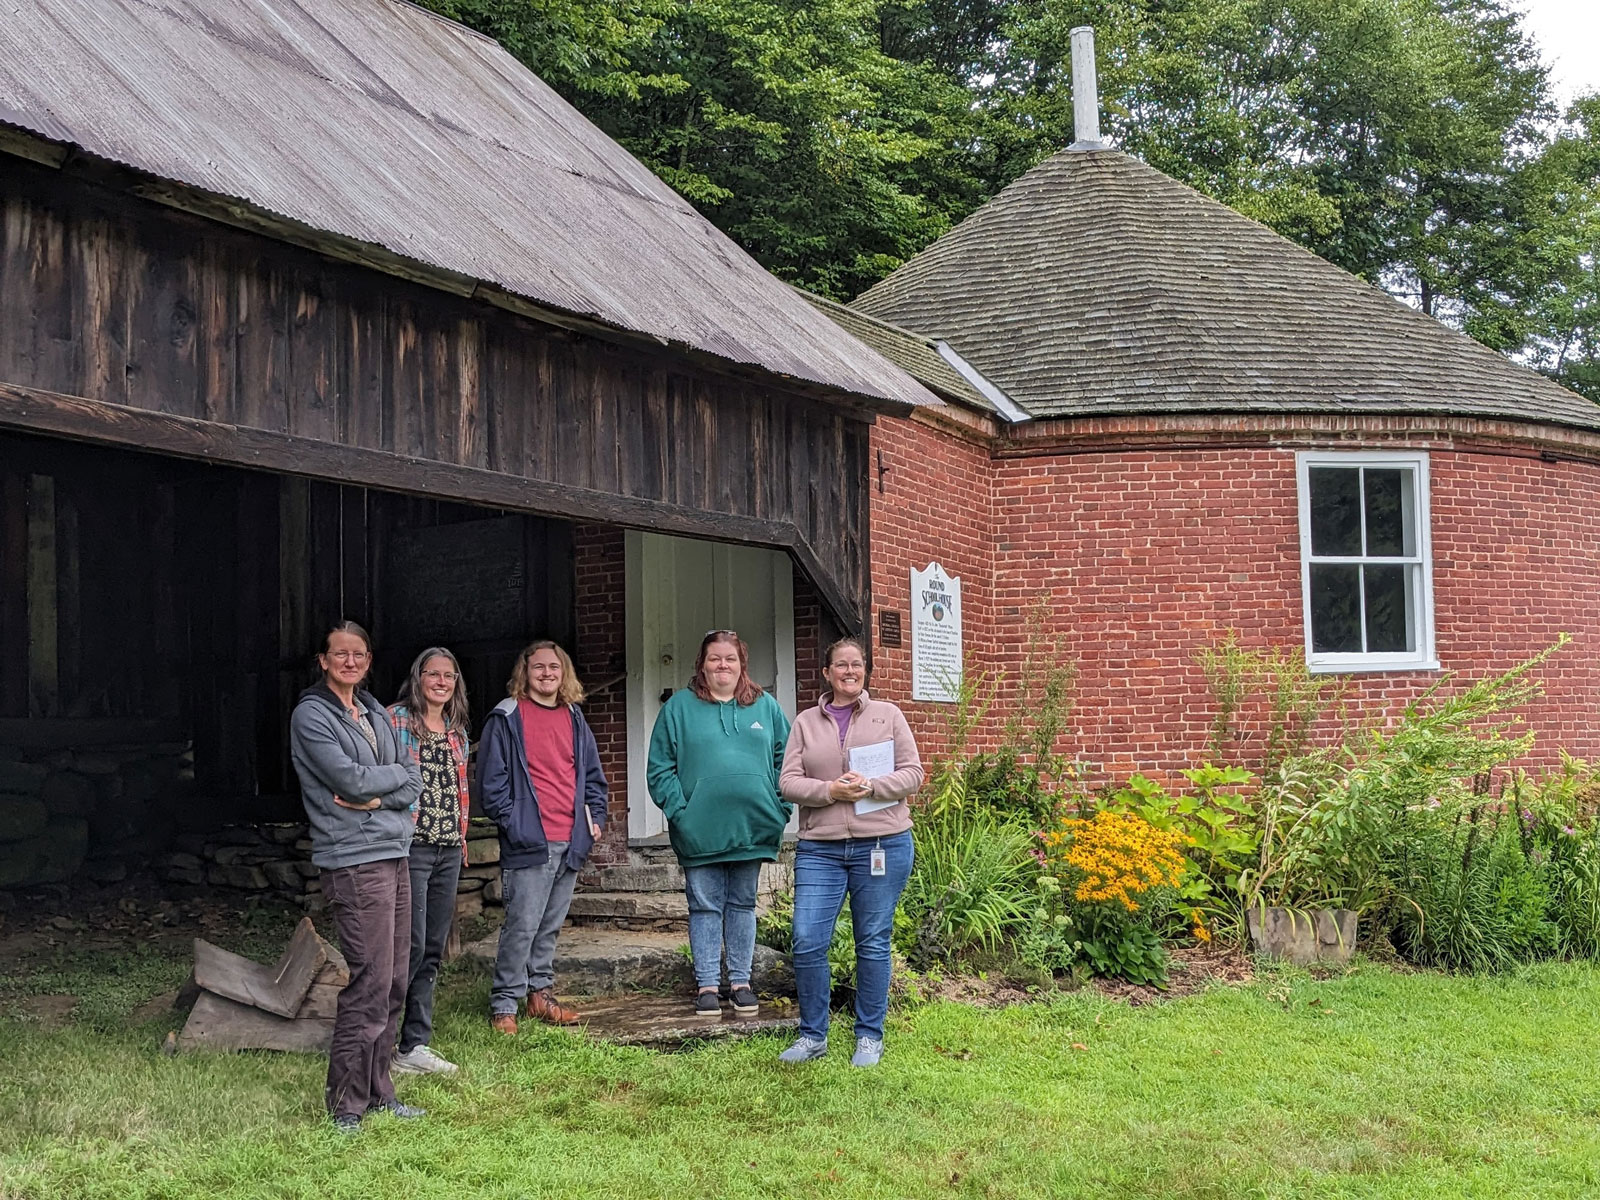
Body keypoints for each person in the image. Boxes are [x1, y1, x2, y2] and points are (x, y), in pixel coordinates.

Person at [289, 621, 423, 1133]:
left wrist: (376, 794)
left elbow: (409, 776)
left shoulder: (372, 711)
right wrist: (379, 788)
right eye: (340, 654)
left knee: (393, 980)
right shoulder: (311, 715)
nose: (350, 662)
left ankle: (379, 1091)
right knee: (368, 980)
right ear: (323, 661)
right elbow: (347, 779)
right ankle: (346, 1104)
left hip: (392, 849)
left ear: (368, 660)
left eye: (359, 654)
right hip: (353, 857)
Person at [776, 636, 923, 1067]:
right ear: (827, 673)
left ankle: (869, 1036)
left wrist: (871, 787)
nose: (849, 672)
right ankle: (812, 1036)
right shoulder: (805, 722)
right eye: (840, 665)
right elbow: (788, 782)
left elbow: (914, 773)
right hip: (821, 849)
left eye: (857, 665)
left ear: (865, 671)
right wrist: (829, 791)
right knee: (806, 940)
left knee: (873, 942)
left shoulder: (888, 716)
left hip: (882, 843)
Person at [647, 630, 792, 1017]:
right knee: (705, 905)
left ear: (742, 664)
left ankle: (741, 982)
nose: (722, 665)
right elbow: (660, 768)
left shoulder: (765, 708)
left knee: (743, 904)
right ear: (702, 665)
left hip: (753, 827)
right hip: (699, 830)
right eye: (714, 658)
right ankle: (708, 984)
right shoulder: (678, 709)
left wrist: (780, 807)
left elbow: (789, 760)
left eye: (730, 658)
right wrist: (681, 812)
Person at [477, 640, 608, 1034]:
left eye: (554, 667)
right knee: (522, 925)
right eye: (539, 667)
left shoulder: (573, 718)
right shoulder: (506, 718)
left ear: (563, 672)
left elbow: (593, 777)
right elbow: (491, 785)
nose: (547, 673)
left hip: (570, 838)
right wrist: (515, 824)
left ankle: (539, 995)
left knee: (549, 925)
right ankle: (504, 1004)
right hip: (529, 840)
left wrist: (594, 818)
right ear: (525, 672)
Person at [387, 647, 471, 1077]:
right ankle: (381, 1040)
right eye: (433, 674)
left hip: (448, 848)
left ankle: (414, 1044)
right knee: (410, 945)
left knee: (433, 948)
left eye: (449, 676)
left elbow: (459, 791)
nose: (441, 682)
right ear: (418, 677)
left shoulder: (457, 731)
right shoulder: (395, 719)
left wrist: (461, 838)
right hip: (411, 846)